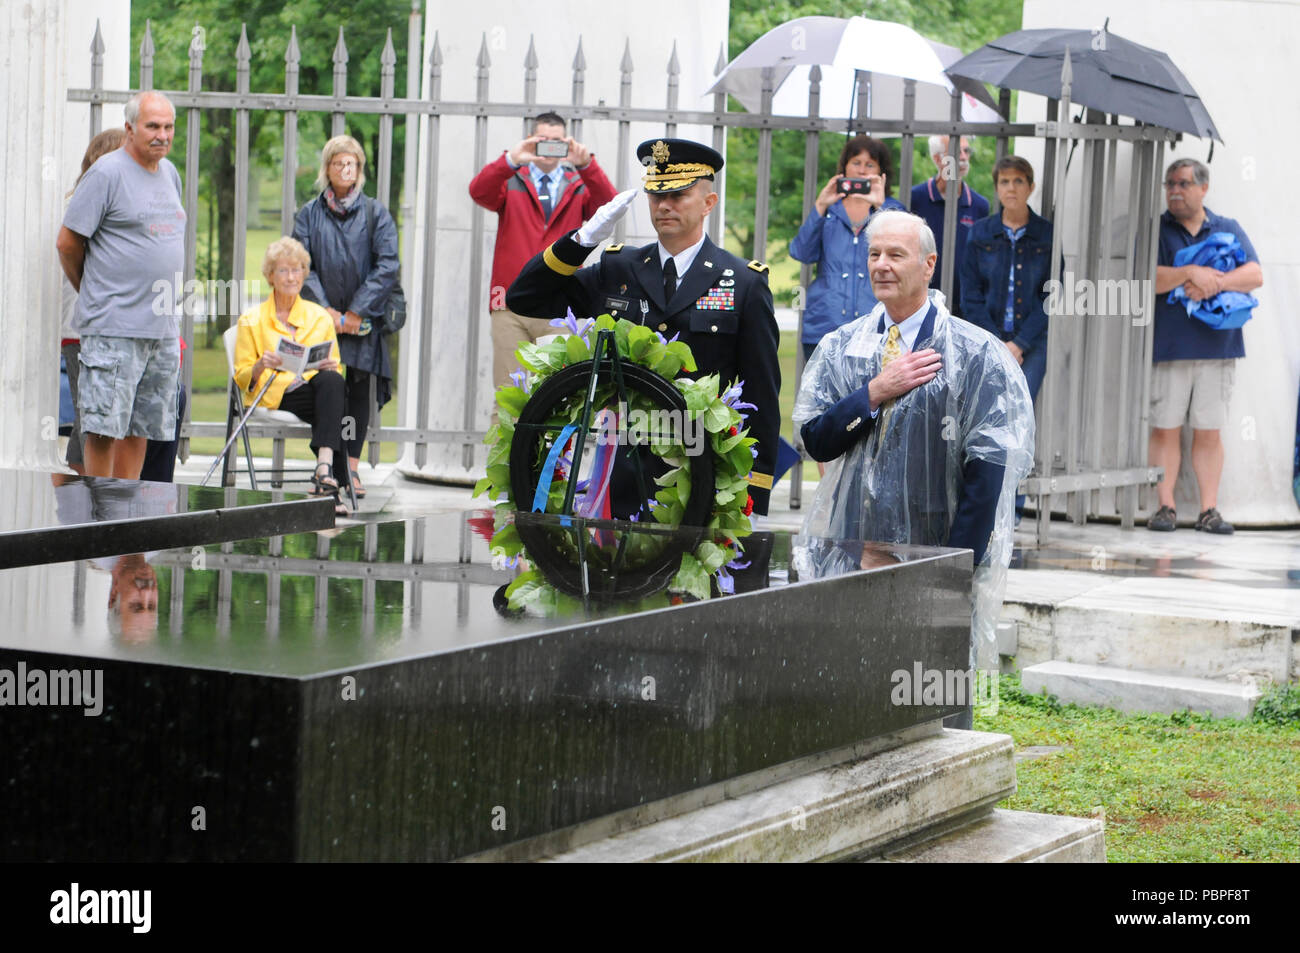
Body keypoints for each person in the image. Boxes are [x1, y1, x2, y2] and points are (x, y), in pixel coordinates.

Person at [793, 210, 1034, 669]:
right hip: (854, 548)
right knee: (854, 672)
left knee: (931, 682)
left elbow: (988, 469)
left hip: (934, 548)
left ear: (929, 264)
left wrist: (952, 568)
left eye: (896, 254)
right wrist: (873, 393)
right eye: (874, 254)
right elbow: (815, 441)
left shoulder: (974, 352)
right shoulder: (841, 347)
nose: (881, 264)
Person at [507, 137, 781, 515]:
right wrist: (583, 240)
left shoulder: (742, 282)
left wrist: (752, 494)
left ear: (708, 203)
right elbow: (524, 298)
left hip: (703, 475)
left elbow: (761, 396)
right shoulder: (621, 268)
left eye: (679, 195)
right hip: (624, 471)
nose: (664, 206)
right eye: (656, 196)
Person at [56, 91, 185, 480]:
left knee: (142, 427)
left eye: (168, 127)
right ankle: (101, 516)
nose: (162, 135)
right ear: (130, 128)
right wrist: (93, 292)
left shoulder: (169, 173)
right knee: (102, 429)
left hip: (160, 329)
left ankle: (127, 517)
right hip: (114, 327)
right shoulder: (107, 173)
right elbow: (67, 243)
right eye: (152, 126)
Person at [1146, 159, 1263, 534]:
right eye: (1169, 185)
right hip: (1170, 347)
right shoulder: (1156, 230)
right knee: (1165, 428)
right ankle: (1165, 508)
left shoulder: (1227, 227)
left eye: (1182, 184)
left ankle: (1208, 511)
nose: (1174, 191)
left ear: (1203, 188)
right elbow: (1147, 278)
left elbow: (1255, 275)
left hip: (1219, 348)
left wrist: (1215, 282)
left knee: (1209, 431)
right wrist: (1187, 273)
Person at [470, 111, 617, 398]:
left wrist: (587, 165)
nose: (549, 147)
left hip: (559, 307)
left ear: (567, 143)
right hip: (509, 304)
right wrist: (511, 159)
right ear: (529, 140)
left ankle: (553, 446)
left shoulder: (578, 183)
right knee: (510, 397)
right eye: (542, 140)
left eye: (556, 141)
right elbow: (479, 192)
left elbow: (608, 207)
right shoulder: (512, 178)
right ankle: (512, 446)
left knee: (557, 398)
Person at [292, 135, 401, 500]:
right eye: (338, 163)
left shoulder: (375, 213)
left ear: (360, 169)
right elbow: (300, 265)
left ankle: (348, 468)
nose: (345, 169)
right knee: (326, 390)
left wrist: (356, 311)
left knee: (356, 394)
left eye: (351, 163)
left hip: (362, 323)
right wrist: (326, 312)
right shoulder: (308, 214)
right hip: (321, 322)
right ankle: (328, 466)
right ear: (327, 168)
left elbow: (387, 265)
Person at [233, 237, 349, 515]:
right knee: (336, 408)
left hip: (313, 390)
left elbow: (336, 367)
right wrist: (261, 364)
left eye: (297, 270)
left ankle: (324, 468)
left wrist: (325, 367)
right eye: (283, 271)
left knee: (333, 382)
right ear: (270, 276)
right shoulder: (251, 319)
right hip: (274, 394)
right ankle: (333, 484)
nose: (291, 277)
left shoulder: (319, 317)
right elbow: (241, 377)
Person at [789, 135, 905, 364]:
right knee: (823, 397)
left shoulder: (891, 209)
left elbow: (904, 251)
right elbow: (802, 252)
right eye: (856, 163)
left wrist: (881, 207)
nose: (862, 170)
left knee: (870, 395)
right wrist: (820, 205)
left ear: (881, 172)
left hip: (875, 324)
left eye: (870, 164)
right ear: (844, 167)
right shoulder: (829, 210)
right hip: (824, 322)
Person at [60, 128, 127, 475]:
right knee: (91, 416)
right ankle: (82, 490)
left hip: (94, 325)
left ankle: (74, 489)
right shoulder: (86, 203)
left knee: (87, 414)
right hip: (83, 328)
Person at [910, 135, 988, 315]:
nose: (963, 157)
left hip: (965, 308)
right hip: (919, 305)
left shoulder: (979, 205)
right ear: (937, 159)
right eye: (956, 151)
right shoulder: (915, 199)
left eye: (966, 151)